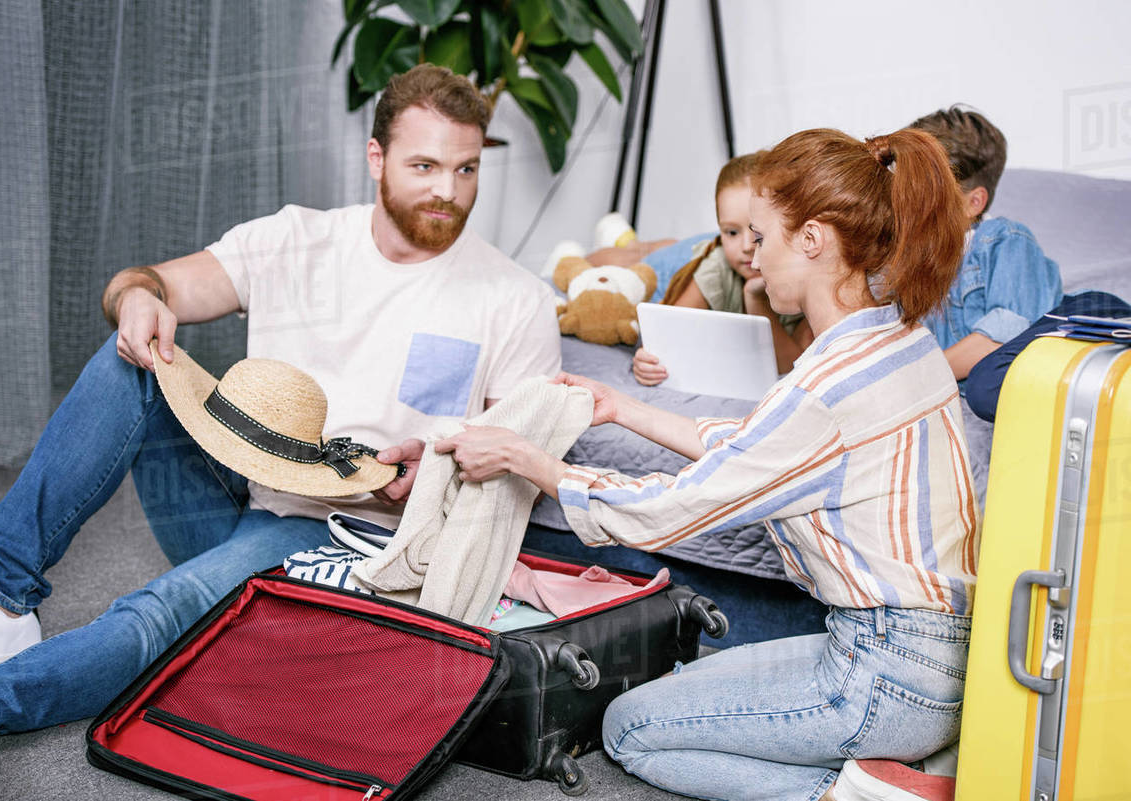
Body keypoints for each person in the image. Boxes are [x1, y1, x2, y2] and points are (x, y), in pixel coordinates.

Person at [0, 63, 561, 751]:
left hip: (353, 539)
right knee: (132, 361)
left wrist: (423, 491)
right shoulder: (295, 240)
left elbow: (508, 495)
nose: (448, 190)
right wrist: (139, 299)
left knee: (164, 607)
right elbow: (143, 283)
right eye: (425, 165)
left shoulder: (514, 298)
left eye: (466, 170)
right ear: (375, 158)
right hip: (252, 496)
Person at [434, 126, 979, 801]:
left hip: (882, 673)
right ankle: (909, 765)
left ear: (812, 240)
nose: (753, 256)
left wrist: (534, 461)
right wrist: (623, 407)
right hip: (948, 663)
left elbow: (667, 509)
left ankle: (850, 796)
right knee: (690, 691)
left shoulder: (822, 388)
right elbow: (761, 448)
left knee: (630, 727)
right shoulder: (901, 340)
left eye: (762, 236)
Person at [910, 105, 1063, 382]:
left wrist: (914, 382)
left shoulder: (1005, 242)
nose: (909, 202)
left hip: (991, 396)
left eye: (928, 192)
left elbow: (1001, 337)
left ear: (974, 202)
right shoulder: (912, 258)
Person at [632, 152, 814, 384]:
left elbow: (790, 366)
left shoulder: (805, 274)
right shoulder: (716, 266)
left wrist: (755, 298)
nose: (748, 246)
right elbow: (664, 337)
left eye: (757, 232)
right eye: (731, 232)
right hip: (676, 260)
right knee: (636, 256)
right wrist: (645, 361)